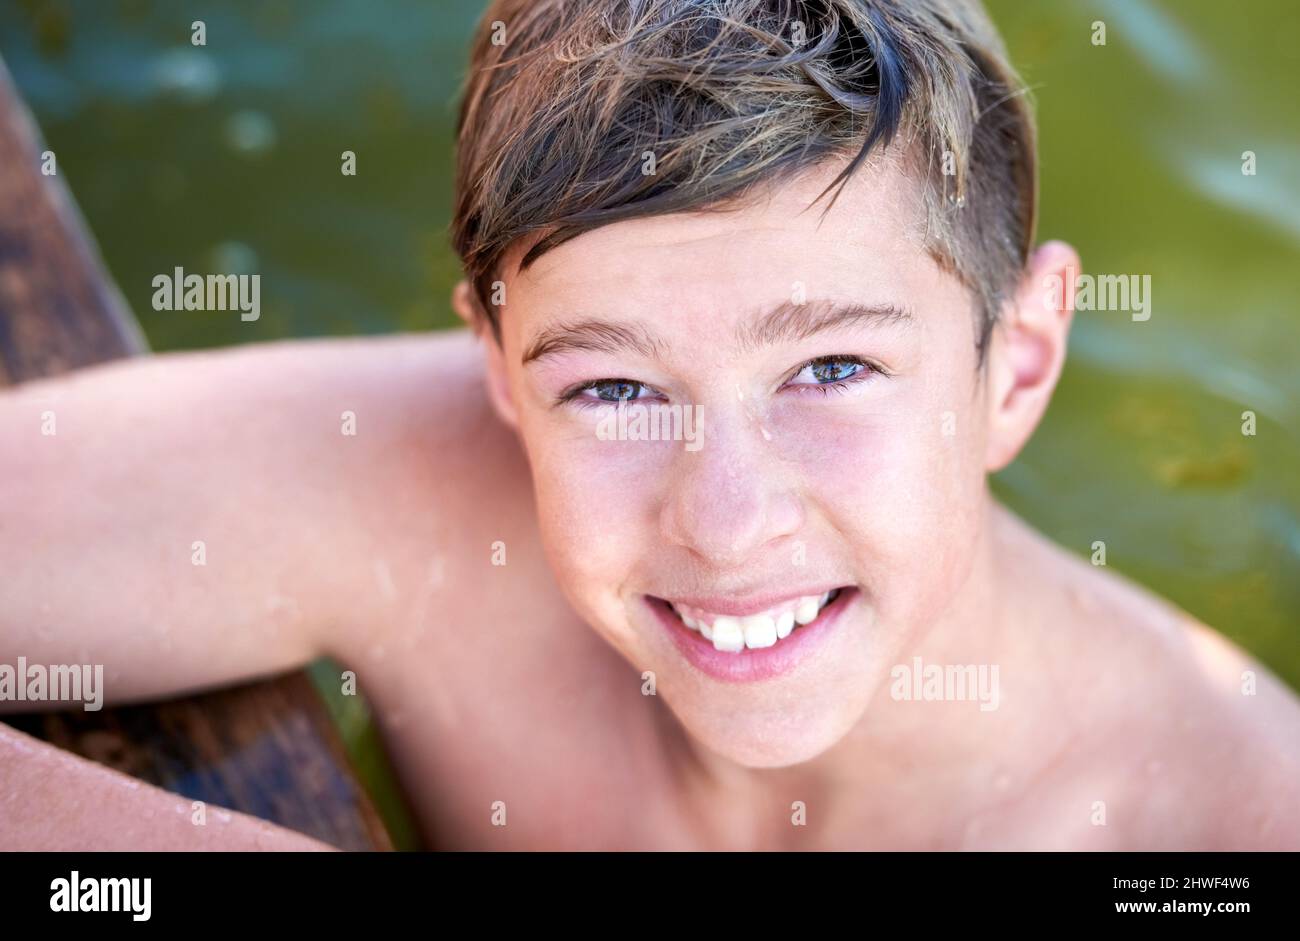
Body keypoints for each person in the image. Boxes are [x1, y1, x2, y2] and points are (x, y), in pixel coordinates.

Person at [2, 0, 1297, 850]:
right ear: (501, 371)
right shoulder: (427, 485)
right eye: (613, 389)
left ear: (1016, 365)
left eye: (831, 368)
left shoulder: (1223, 827)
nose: (727, 525)